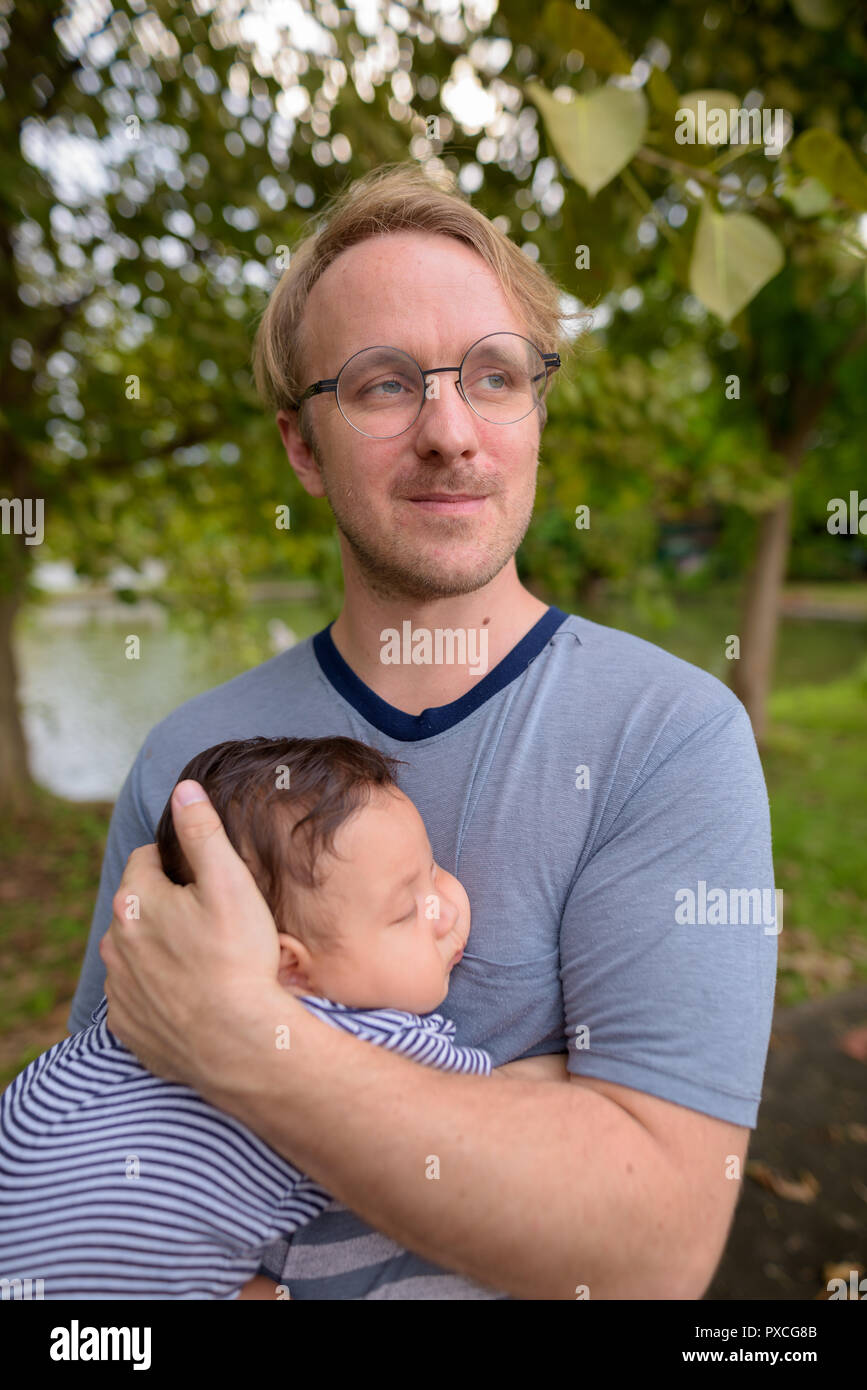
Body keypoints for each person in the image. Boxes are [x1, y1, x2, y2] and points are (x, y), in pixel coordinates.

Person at [68, 163, 777, 1300]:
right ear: (303, 445)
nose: (451, 432)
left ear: (535, 410)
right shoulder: (187, 765)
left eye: (494, 375)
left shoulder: (672, 736)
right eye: (384, 385)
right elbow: (114, 1148)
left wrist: (244, 1038)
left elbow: (655, 1245)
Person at [3, 735, 533, 1299]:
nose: (445, 903)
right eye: (406, 910)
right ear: (292, 968)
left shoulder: (148, 982)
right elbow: (500, 1120)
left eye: (430, 871)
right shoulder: (366, 1035)